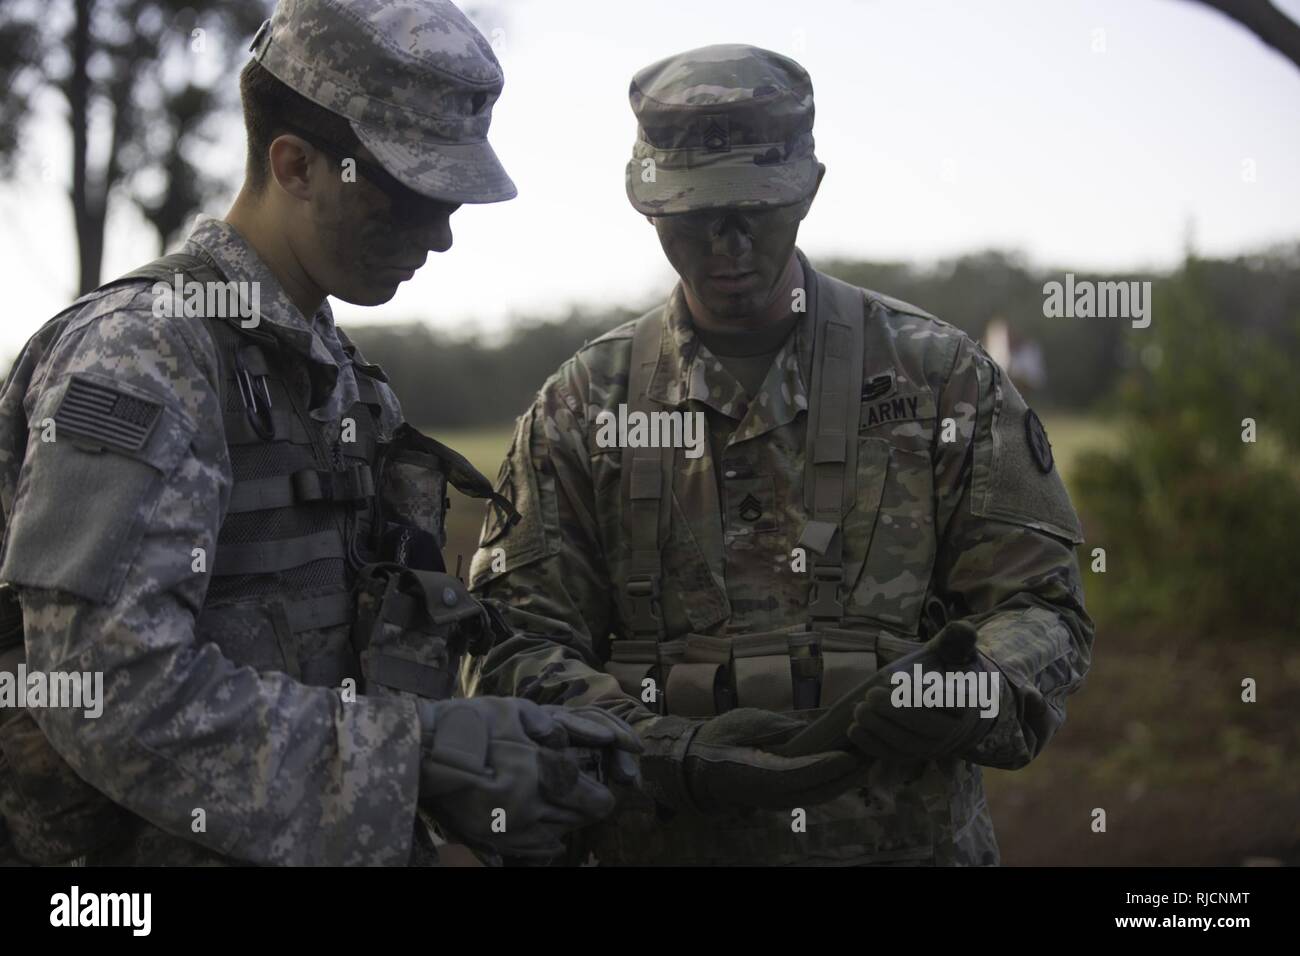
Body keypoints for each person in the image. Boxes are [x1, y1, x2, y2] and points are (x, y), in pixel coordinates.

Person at [0, 0, 637, 867]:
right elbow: (104, 690)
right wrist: (416, 758)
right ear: (295, 165)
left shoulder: (338, 377)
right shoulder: (144, 353)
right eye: (410, 201)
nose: (441, 236)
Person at [468, 43, 1094, 865]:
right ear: (650, 208)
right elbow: (509, 646)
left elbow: (1045, 611)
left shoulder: (943, 380)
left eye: (755, 209)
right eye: (697, 215)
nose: (728, 244)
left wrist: (974, 688)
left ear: (807, 192)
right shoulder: (583, 408)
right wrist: (659, 749)